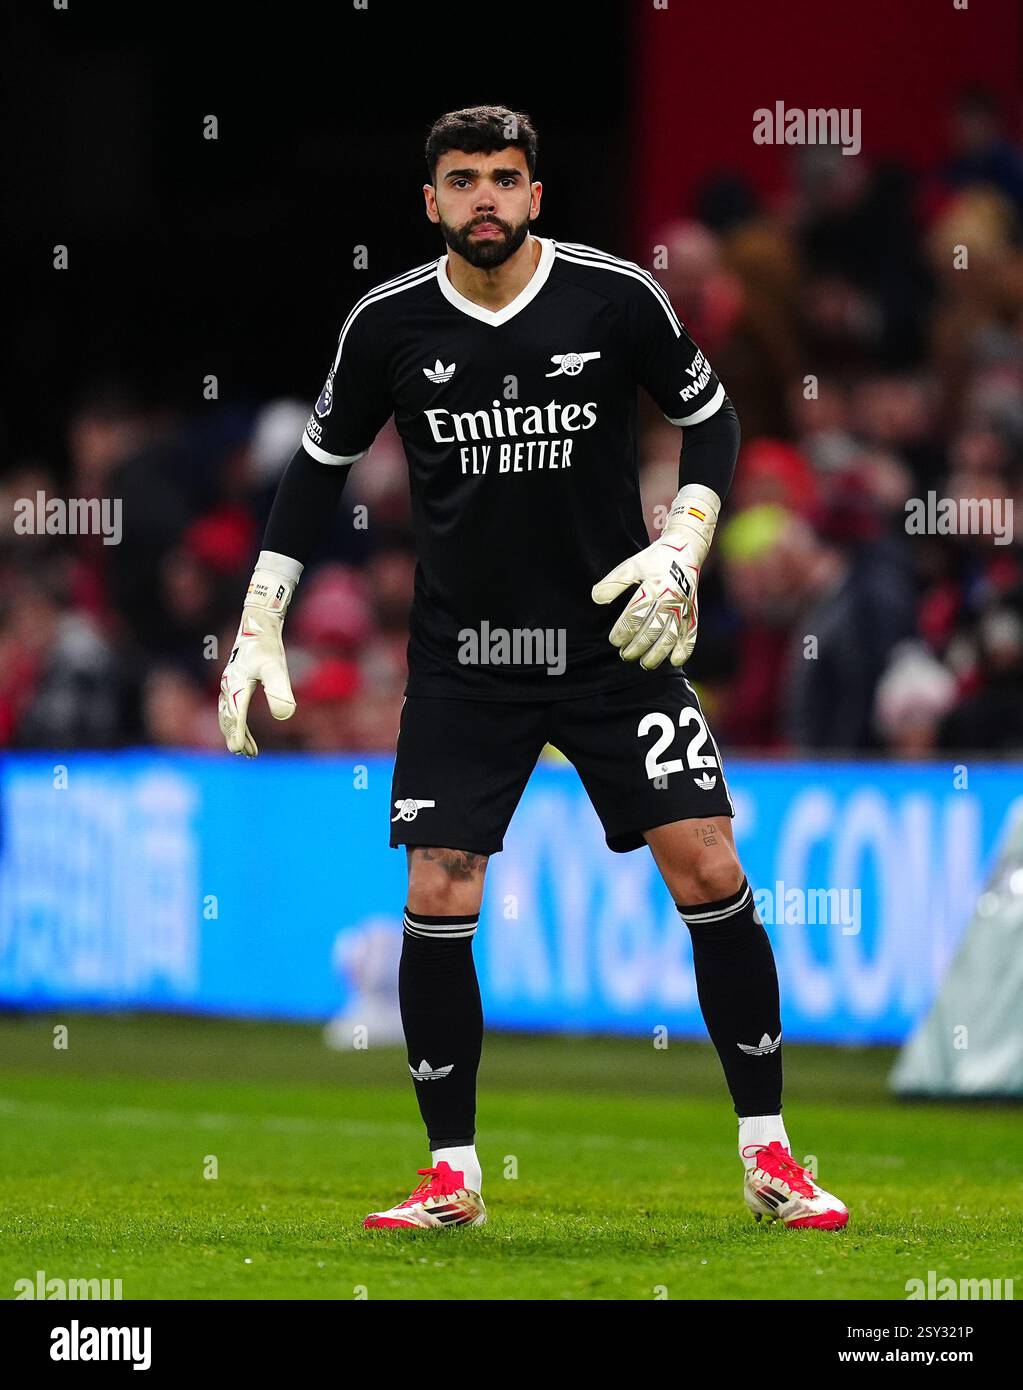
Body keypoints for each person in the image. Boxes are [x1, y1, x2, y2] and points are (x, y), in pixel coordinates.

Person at [218, 105, 847, 1233]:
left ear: (536, 194)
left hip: (619, 644)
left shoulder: (614, 297)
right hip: (467, 659)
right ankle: (452, 1173)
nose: (486, 201)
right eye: (463, 182)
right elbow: (316, 473)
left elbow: (713, 421)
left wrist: (685, 546)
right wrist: (261, 618)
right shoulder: (389, 324)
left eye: (505, 179)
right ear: (432, 202)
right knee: (437, 890)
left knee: (707, 863)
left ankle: (773, 1156)